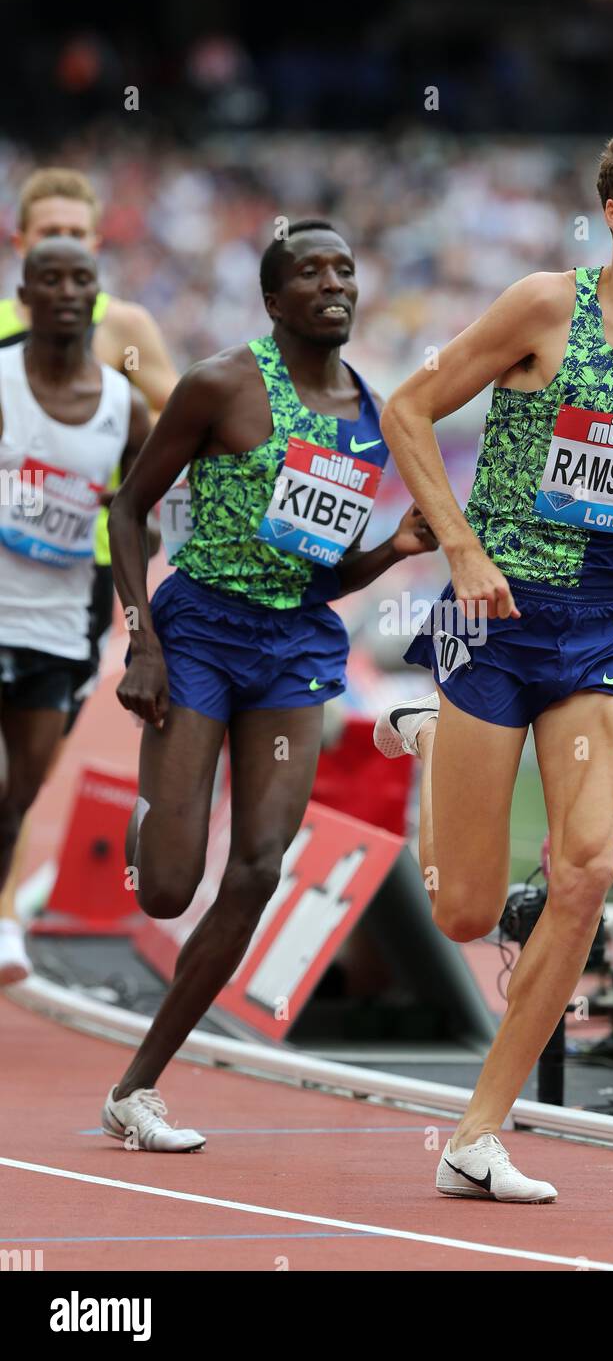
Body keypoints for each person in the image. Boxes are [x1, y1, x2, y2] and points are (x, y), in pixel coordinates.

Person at [373, 125, 613, 1202]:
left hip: (600, 627)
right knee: (463, 911)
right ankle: (432, 739)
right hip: (493, 619)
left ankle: (477, 1134)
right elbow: (407, 408)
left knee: (585, 873)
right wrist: (461, 547)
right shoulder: (545, 307)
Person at [103, 220, 437, 1151]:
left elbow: (319, 574)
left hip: (294, 651)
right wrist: (141, 642)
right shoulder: (221, 384)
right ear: (273, 299)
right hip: (200, 634)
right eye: (310, 272)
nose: (333, 284)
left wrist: (391, 551)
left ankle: (137, 1087)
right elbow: (129, 509)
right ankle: (152, 819)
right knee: (166, 889)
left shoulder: (374, 417)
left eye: (345, 270)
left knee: (256, 868)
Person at [0, 168, 177, 984]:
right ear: (21, 245)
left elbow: (178, 415)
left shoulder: (125, 329)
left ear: (98, 247)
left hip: (85, 575)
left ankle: (5, 907)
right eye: (49, 239)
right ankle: (5, 913)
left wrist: (121, 485)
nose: (65, 259)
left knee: (27, 769)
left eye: (79, 240)